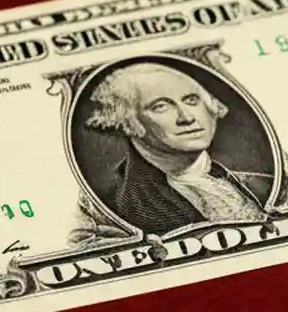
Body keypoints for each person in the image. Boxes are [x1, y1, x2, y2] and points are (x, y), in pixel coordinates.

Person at [85, 62, 272, 235]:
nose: (187, 117)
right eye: (161, 106)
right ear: (126, 120)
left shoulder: (263, 185)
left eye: (191, 100)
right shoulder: (116, 210)